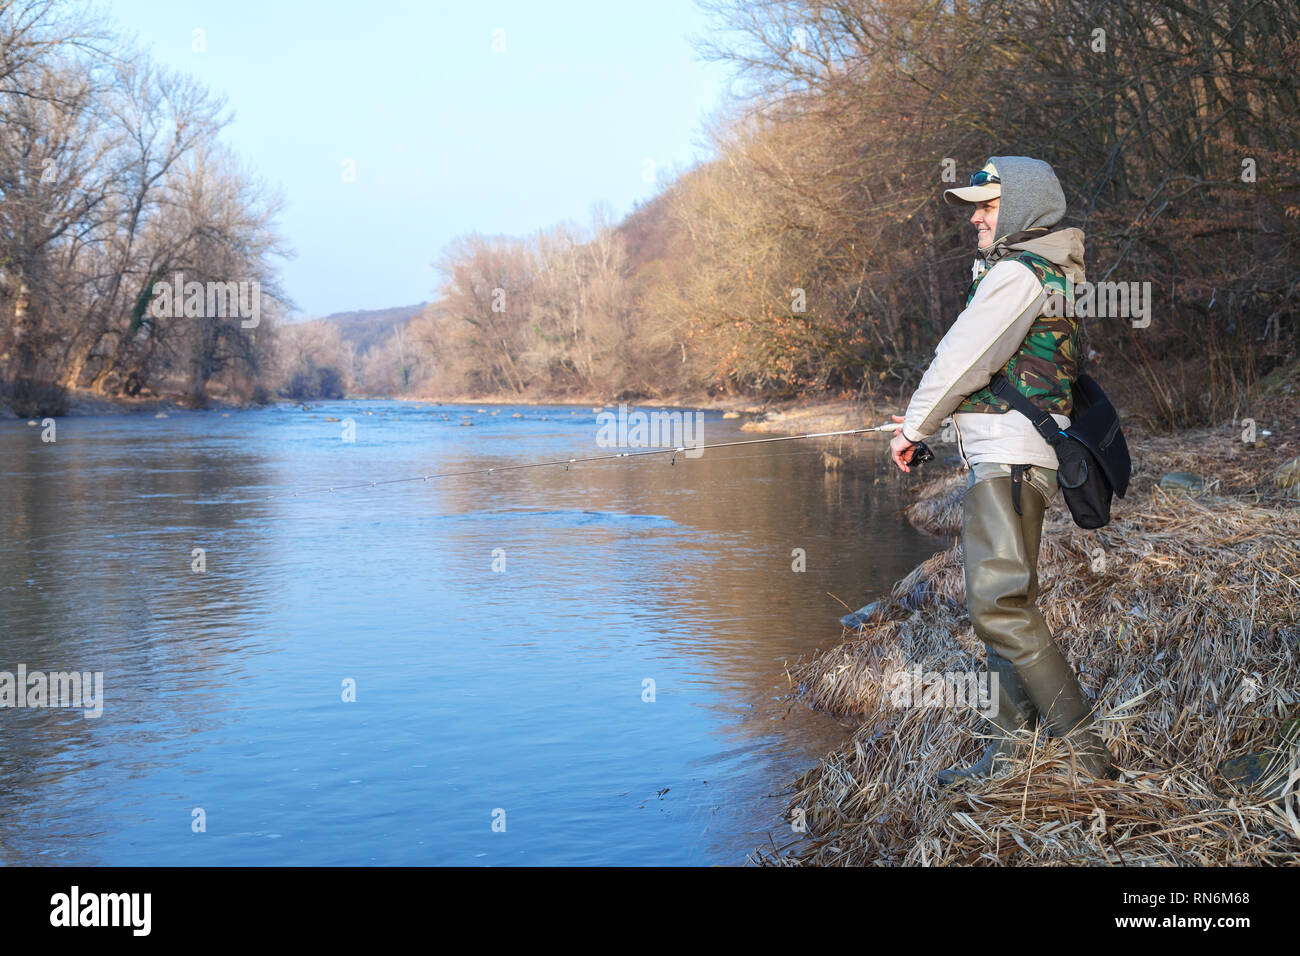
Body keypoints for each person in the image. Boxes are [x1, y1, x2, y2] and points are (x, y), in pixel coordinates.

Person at [887, 156, 1117, 783]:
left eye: (988, 206)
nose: (977, 218)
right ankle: (1010, 753)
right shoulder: (1041, 270)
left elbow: (965, 357)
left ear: (1021, 208)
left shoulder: (1019, 273)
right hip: (1011, 457)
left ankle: (1090, 761)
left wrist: (914, 427)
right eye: (976, 207)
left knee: (999, 608)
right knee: (1002, 605)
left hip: (1009, 461)